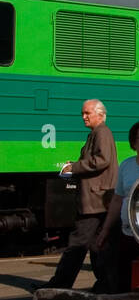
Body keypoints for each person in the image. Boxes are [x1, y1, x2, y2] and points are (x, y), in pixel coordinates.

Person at [45, 100, 117, 290]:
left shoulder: (102, 132)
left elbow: (102, 160)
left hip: (94, 200)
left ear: (100, 114)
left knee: (76, 245)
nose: (84, 117)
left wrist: (73, 167)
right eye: (83, 113)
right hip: (96, 198)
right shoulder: (97, 133)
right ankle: (105, 283)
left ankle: (59, 285)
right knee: (95, 246)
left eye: (87, 113)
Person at [94, 120, 139, 294]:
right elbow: (117, 199)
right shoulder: (126, 165)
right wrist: (105, 230)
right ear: (134, 143)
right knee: (123, 275)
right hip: (128, 231)